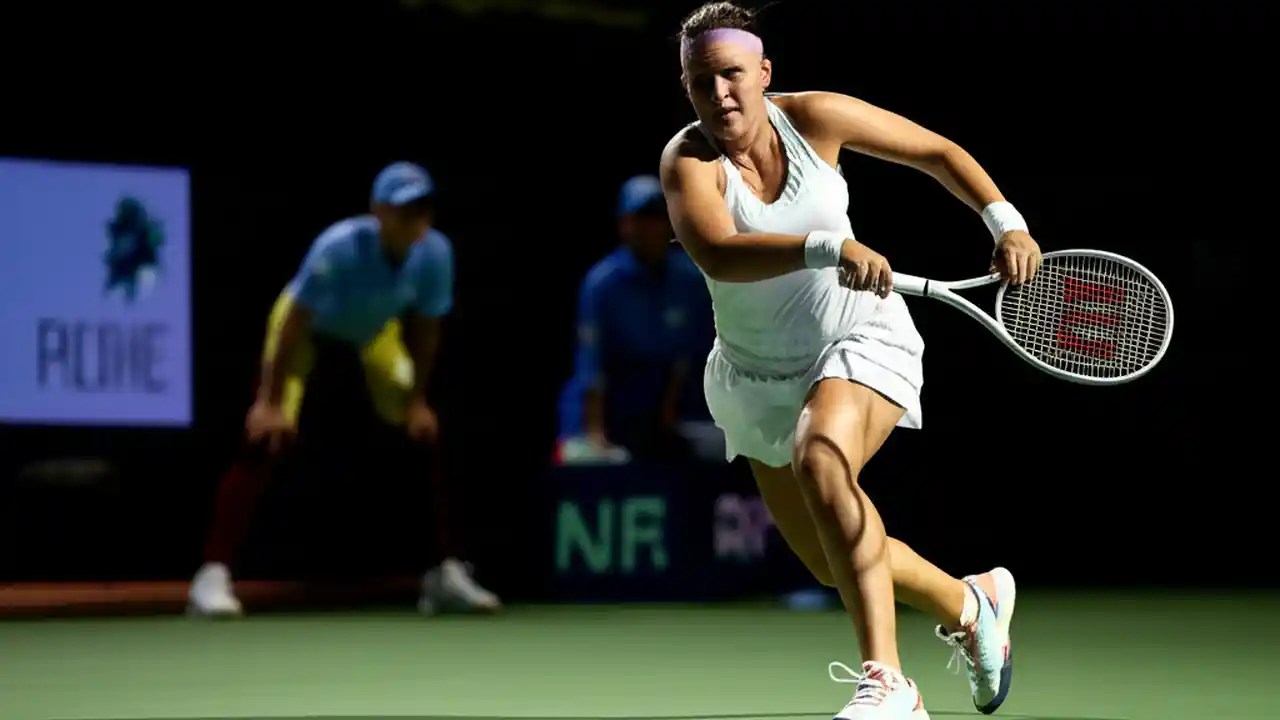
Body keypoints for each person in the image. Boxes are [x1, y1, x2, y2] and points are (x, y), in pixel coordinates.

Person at [659, 3, 1042, 719]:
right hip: (754, 376)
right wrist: (828, 248)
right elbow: (715, 251)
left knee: (822, 460)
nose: (721, 95)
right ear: (687, 87)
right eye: (702, 81)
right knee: (827, 558)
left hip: (860, 337)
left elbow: (936, 151)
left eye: (734, 76)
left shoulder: (816, 118)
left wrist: (1005, 221)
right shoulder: (687, 161)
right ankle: (973, 602)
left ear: (764, 74)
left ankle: (890, 685)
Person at [188, 161, 502, 618]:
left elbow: (427, 330)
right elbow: (292, 324)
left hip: (373, 331)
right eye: (402, 210)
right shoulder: (337, 247)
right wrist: (269, 401)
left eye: (422, 210)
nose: (414, 220)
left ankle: (442, 575)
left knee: (423, 434)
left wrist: (417, 401)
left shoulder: (435, 253)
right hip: (305, 331)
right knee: (266, 435)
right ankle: (211, 576)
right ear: (378, 211)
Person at [555, 174, 718, 465]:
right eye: (641, 218)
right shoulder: (601, 285)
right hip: (605, 417)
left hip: (665, 416)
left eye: (657, 217)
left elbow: (687, 358)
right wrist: (595, 435)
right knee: (586, 460)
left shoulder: (690, 280)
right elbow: (591, 368)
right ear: (624, 224)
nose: (650, 228)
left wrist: (667, 423)